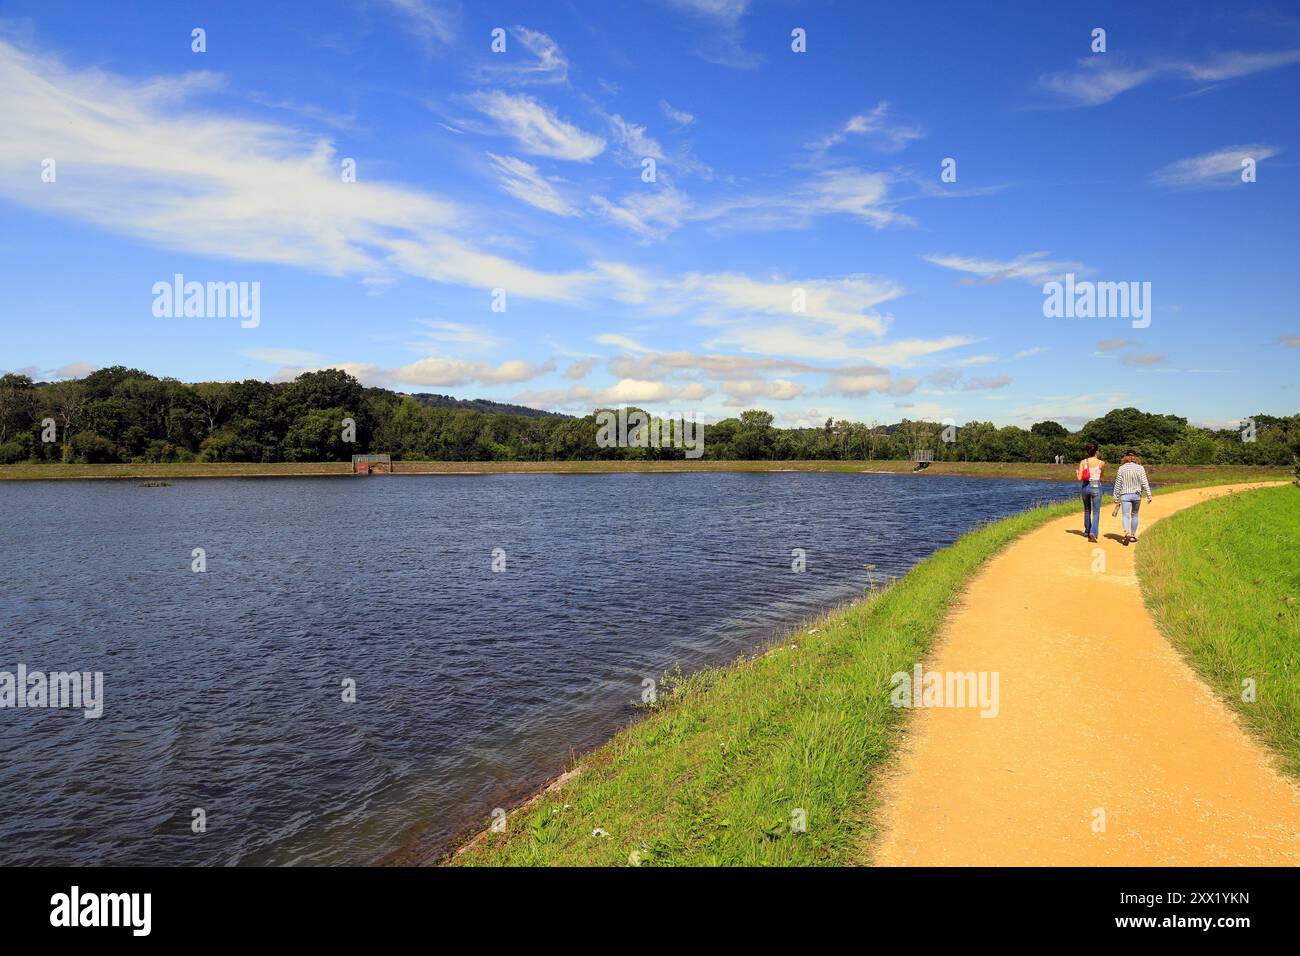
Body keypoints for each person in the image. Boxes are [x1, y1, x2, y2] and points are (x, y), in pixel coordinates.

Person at [1111, 451, 1153, 544]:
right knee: (1135, 515)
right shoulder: (1140, 468)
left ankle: (1126, 532)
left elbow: (1118, 484)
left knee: (1125, 514)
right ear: (1135, 457)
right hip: (1136, 495)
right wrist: (1148, 495)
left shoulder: (1121, 468)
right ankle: (1133, 536)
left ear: (1125, 457)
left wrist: (1115, 497)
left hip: (1125, 495)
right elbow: (1144, 482)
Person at [1077, 443, 1105, 542]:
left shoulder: (1083, 462)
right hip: (1096, 486)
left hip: (1085, 486)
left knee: (1087, 510)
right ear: (1096, 452)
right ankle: (1093, 532)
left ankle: (1087, 532)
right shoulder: (1101, 463)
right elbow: (1101, 478)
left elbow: (1079, 478)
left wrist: (1077, 473)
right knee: (1096, 512)